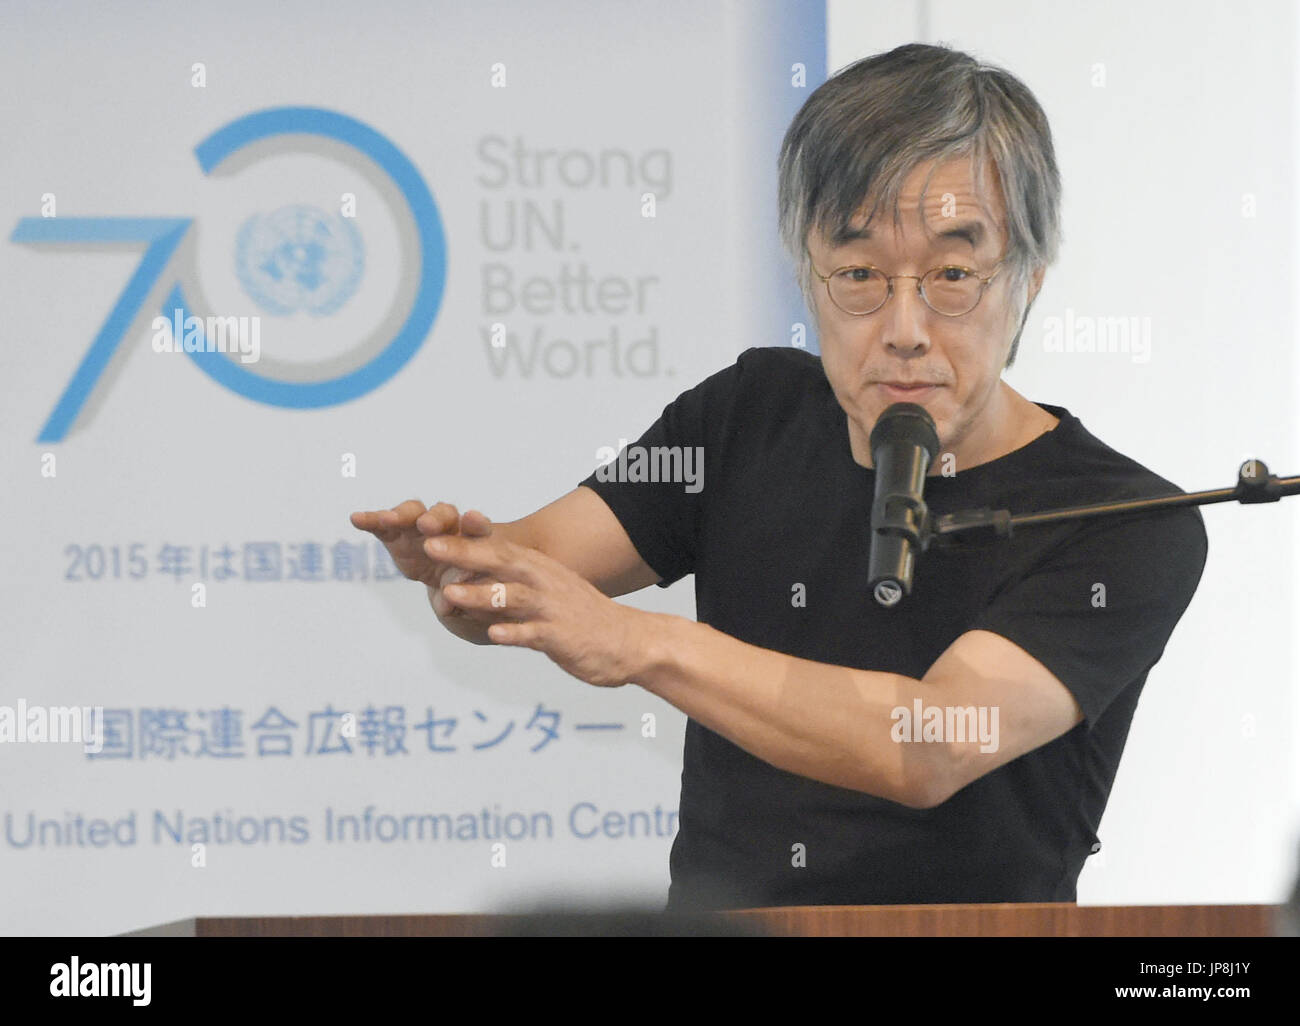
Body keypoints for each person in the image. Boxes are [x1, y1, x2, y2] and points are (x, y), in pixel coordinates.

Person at [351, 42, 1207, 911]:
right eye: (860, 274)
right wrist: (468, 572)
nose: (905, 327)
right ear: (808, 274)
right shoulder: (747, 416)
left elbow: (930, 744)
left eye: (953, 274)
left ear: (1027, 279)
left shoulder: (1127, 521)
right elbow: (536, 572)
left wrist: (642, 642)